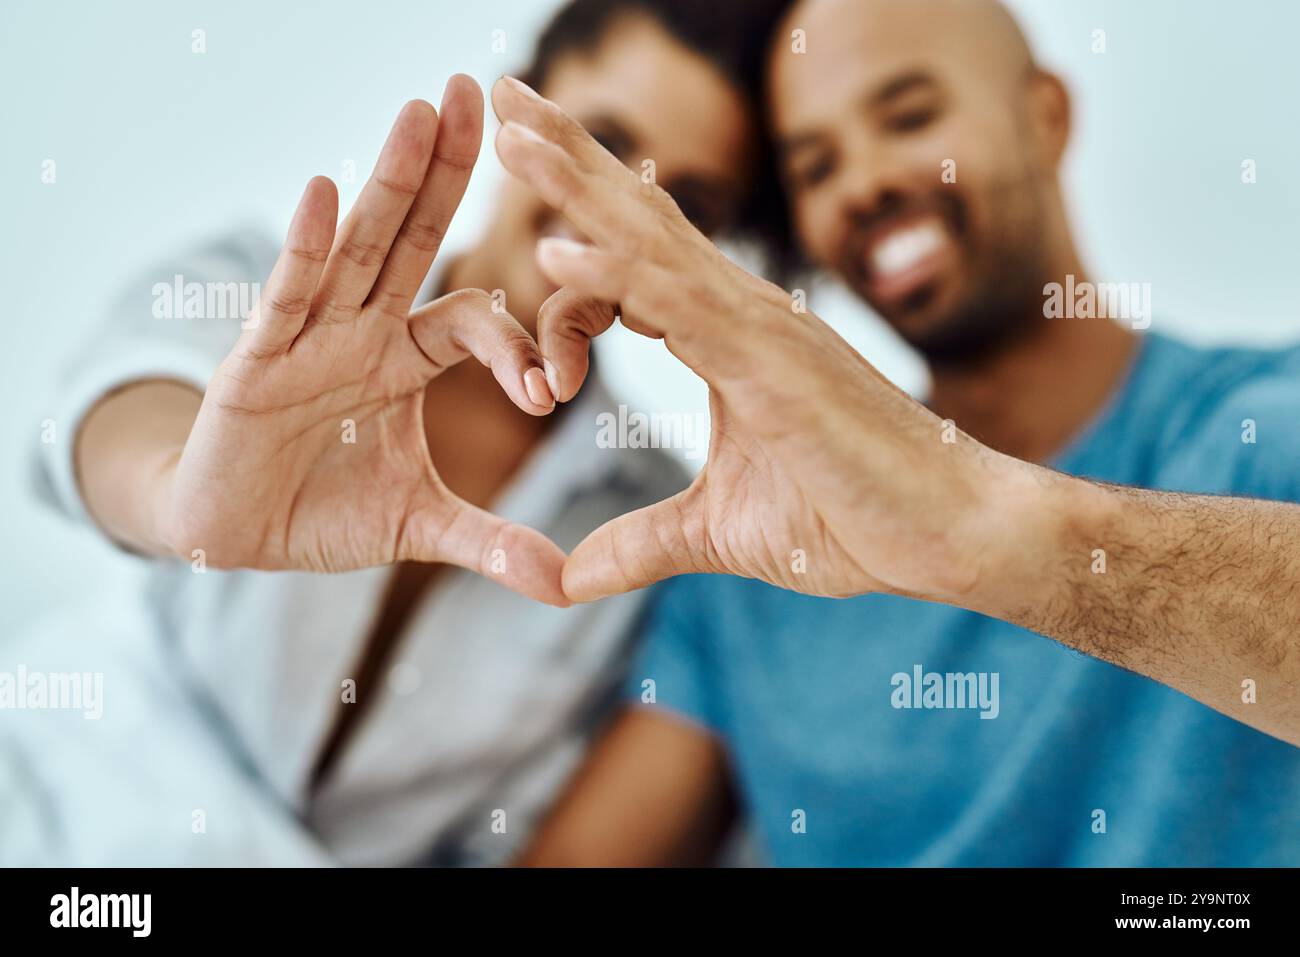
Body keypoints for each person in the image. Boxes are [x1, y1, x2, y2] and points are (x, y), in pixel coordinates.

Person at [492, 0, 1300, 866]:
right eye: (816, 165)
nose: (865, 182)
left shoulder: (1263, 420)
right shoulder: (753, 561)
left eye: (911, 117)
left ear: (1046, 114)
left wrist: (996, 525)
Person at [6, 0, 784, 866]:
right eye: (599, 146)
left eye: (683, 202)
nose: (618, 221)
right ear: (520, 102)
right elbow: (106, 405)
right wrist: (176, 491)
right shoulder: (264, 298)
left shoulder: (654, 532)